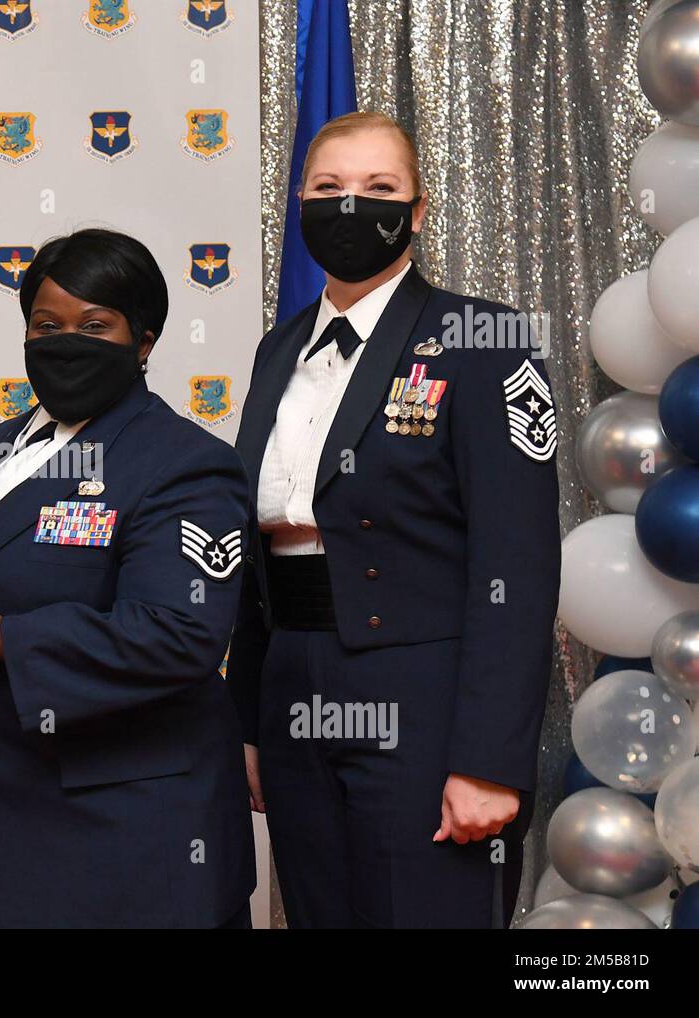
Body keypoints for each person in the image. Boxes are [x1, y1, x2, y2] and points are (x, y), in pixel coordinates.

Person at [227, 111, 560, 929]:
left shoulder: (485, 341)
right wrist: (249, 723)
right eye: (328, 189)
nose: (350, 208)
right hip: (295, 684)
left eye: (378, 190)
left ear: (416, 213)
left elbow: (515, 563)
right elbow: (257, 553)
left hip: (426, 698)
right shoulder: (280, 350)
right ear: (298, 205)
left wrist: (489, 760)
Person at [0, 228, 257, 929]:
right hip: (15, 825)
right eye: (45, 325)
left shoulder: (184, 463)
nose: (65, 341)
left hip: (134, 844)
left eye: (95, 325)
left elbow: (179, 634)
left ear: (143, 341)